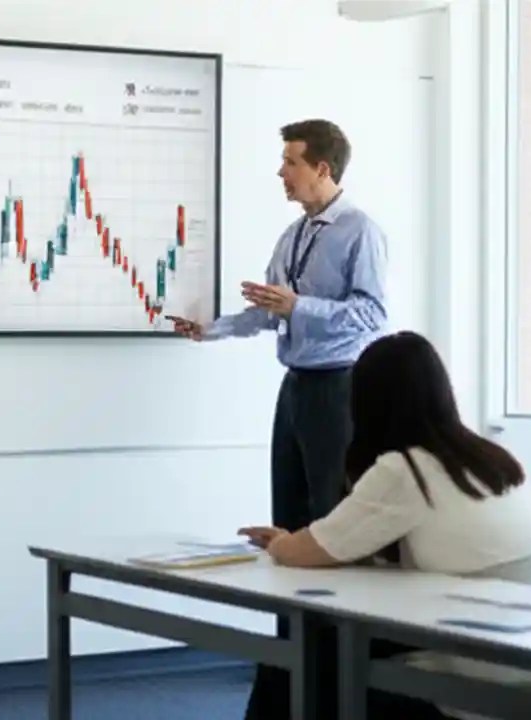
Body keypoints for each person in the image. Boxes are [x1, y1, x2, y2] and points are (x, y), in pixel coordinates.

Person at [239, 331, 531, 720]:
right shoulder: (488, 457)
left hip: (507, 671)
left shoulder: (405, 468)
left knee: (302, 657)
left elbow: (308, 550)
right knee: (330, 651)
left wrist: (280, 542)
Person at [169, 118, 387, 718]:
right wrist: (209, 329)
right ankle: (288, 672)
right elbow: (268, 313)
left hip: (338, 389)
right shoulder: (292, 236)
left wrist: (300, 306)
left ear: (323, 168)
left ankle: (334, 673)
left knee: (329, 527)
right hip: (294, 388)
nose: (281, 172)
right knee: (287, 522)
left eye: (291, 161)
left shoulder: (359, 231)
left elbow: (372, 315)